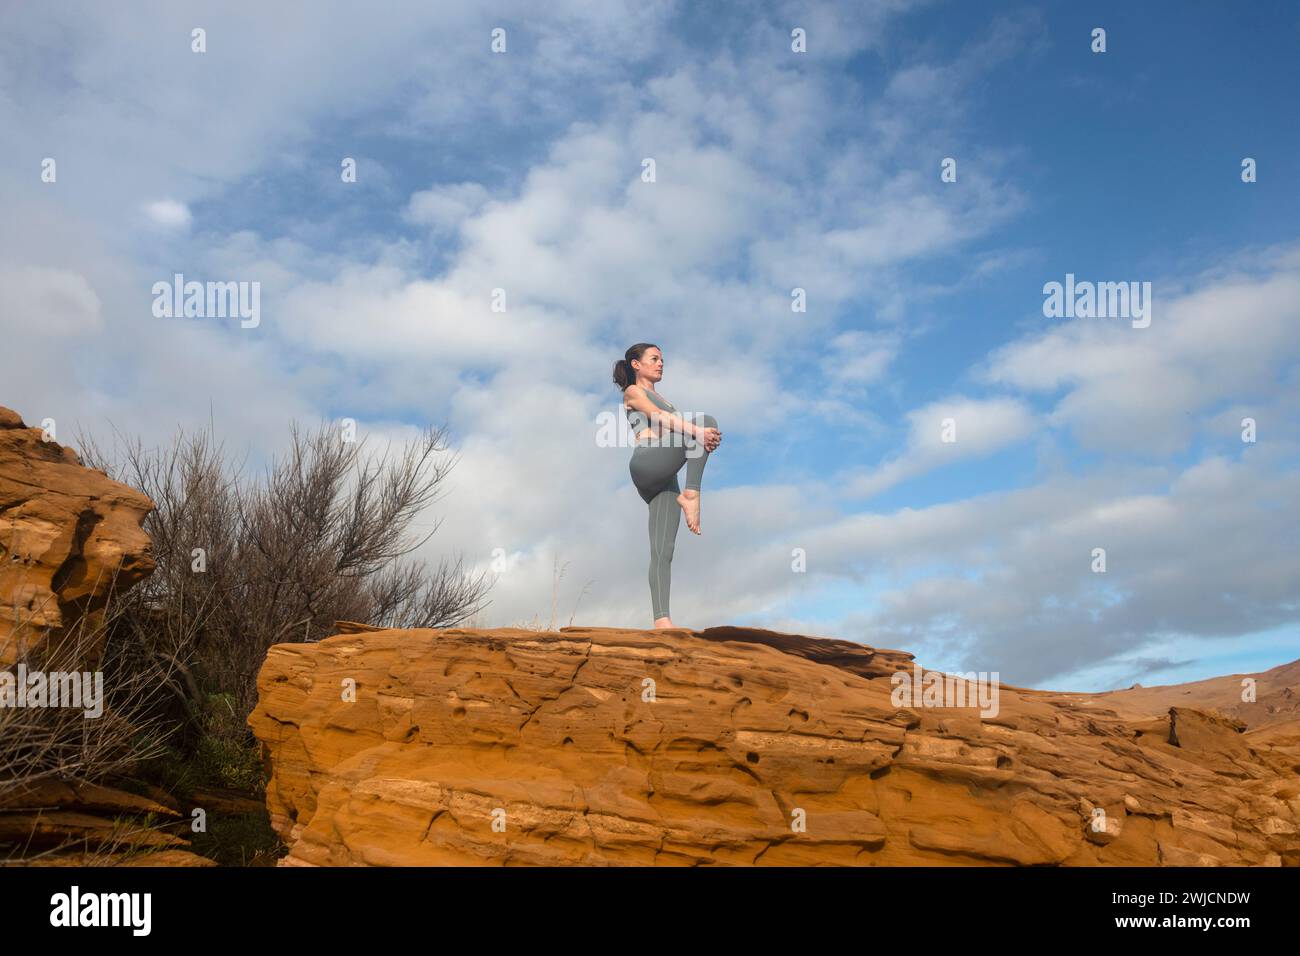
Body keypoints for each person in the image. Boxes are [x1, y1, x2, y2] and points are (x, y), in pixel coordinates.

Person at [612, 343, 722, 629]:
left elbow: (675, 430)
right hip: (647, 462)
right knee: (705, 421)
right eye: (654, 358)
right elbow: (659, 418)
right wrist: (699, 432)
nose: (661, 363)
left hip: (666, 476)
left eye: (662, 359)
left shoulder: (667, 400)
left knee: (663, 550)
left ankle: (662, 620)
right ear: (636, 365)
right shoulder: (634, 391)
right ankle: (692, 494)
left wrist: (702, 440)